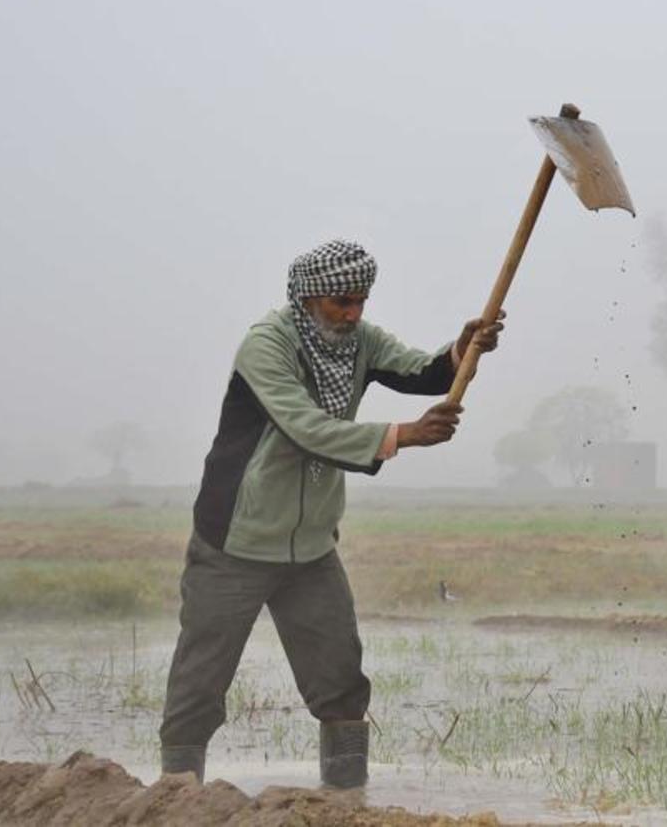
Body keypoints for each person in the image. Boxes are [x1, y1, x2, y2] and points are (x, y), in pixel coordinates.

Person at [158, 239, 501, 796]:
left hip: (311, 547)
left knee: (341, 679)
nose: (353, 314)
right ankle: (173, 800)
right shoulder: (266, 346)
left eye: (361, 300)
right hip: (235, 542)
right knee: (199, 683)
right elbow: (306, 430)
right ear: (309, 298)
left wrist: (462, 352)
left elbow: (422, 372)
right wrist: (403, 436)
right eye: (341, 302)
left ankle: (346, 802)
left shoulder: (359, 340)